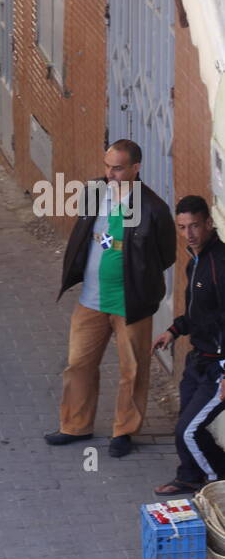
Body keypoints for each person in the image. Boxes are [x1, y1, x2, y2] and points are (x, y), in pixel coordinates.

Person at [45, 140, 176, 458]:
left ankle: (124, 431)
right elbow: (82, 234)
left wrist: (139, 280)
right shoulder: (94, 192)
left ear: (135, 168)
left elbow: (166, 255)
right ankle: (75, 426)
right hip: (90, 299)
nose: (110, 173)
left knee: (132, 370)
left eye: (118, 168)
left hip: (130, 304)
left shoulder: (153, 208)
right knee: (78, 365)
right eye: (107, 166)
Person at [152, 196, 225, 494]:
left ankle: (215, 486)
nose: (189, 234)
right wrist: (174, 329)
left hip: (217, 368)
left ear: (208, 223)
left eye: (194, 226)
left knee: (188, 430)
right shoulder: (194, 261)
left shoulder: (220, 265)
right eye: (182, 227)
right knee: (186, 425)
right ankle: (189, 475)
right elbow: (199, 313)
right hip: (198, 360)